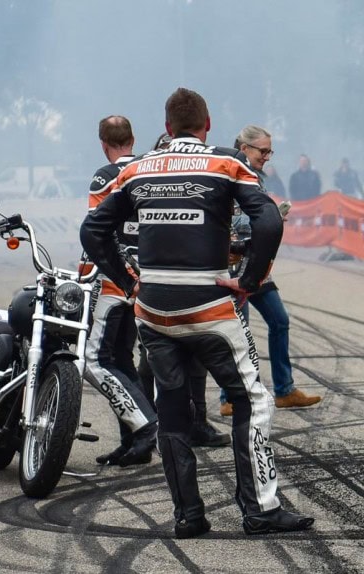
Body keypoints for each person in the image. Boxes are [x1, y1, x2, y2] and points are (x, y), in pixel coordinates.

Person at [80, 88, 314, 538]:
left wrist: (128, 282)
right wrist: (248, 280)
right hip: (210, 308)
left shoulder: (134, 170)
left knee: (172, 412)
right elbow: (269, 221)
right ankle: (260, 510)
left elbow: (93, 229)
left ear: (166, 128)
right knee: (253, 401)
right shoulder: (226, 163)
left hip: (153, 312)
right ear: (207, 125)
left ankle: (188, 517)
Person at [133, 133, 231, 449]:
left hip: (189, 288)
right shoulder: (142, 183)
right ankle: (147, 426)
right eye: (163, 150)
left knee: (195, 362)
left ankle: (198, 422)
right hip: (150, 288)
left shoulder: (188, 188)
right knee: (149, 365)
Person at [219, 125, 322, 417]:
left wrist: (272, 220)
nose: (267, 156)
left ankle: (285, 390)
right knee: (240, 332)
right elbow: (232, 222)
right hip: (234, 268)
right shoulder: (230, 174)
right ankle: (230, 397)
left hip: (258, 264)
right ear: (244, 146)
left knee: (280, 320)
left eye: (269, 151)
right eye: (263, 151)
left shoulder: (256, 178)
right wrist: (267, 222)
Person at [83, 116, 158, 467]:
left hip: (116, 282)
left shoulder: (105, 175)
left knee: (94, 360)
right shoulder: (149, 169)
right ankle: (134, 443)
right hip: (148, 280)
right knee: (122, 360)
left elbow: (98, 230)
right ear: (132, 138)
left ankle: (145, 425)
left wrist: (96, 274)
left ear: (102, 142)